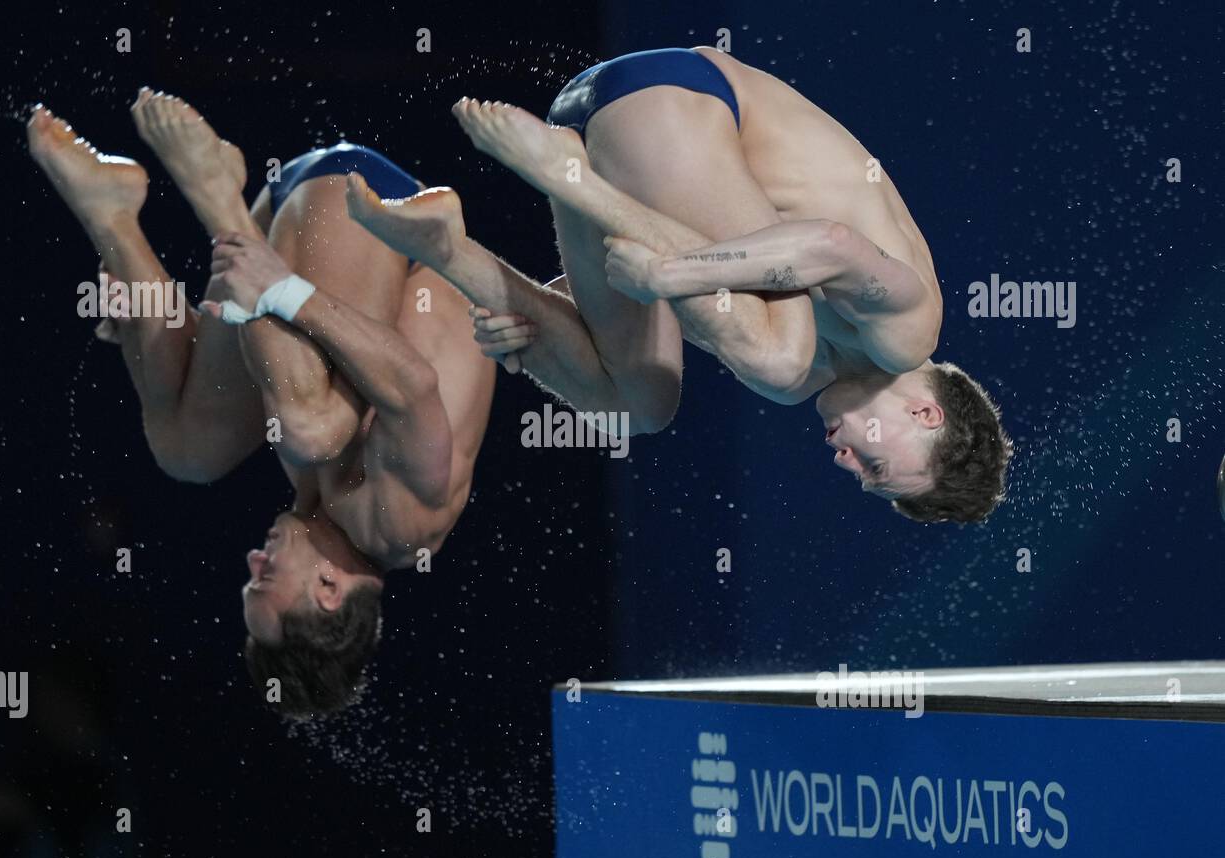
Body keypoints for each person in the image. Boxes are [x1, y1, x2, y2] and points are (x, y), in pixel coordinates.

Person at [343, 47, 1011, 523]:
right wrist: (668, 275)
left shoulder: (816, 370)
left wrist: (541, 323)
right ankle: (562, 175)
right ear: (927, 415)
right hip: (671, 97)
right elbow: (828, 244)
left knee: (638, 405)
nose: (845, 464)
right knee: (776, 360)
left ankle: (450, 251)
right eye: (874, 468)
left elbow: (669, 277)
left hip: (600, 125)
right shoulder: (907, 333)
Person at [27, 91, 494, 717]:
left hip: (286, 223)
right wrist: (281, 288)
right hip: (374, 207)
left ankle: (112, 215)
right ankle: (217, 195)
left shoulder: (320, 516)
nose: (253, 558)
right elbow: (410, 381)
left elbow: (246, 353)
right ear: (329, 589)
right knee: (311, 429)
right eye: (264, 578)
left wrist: (144, 328)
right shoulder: (404, 522)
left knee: (187, 452)